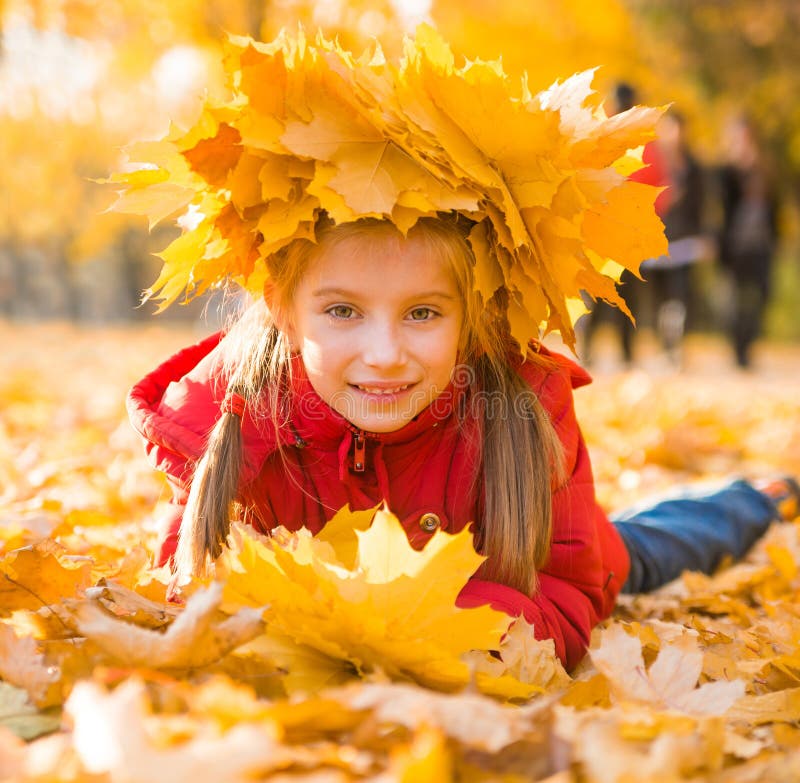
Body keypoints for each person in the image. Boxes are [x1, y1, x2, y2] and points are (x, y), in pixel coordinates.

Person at [124, 30, 799, 671]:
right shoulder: (236, 414)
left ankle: (759, 497)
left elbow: (568, 603)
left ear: (470, 310)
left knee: (658, 541)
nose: (384, 353)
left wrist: (405, 614)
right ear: (283, 307)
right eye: (342, 311)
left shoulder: (523, 405)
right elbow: (186, 585)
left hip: (590, 552)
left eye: (422, 312)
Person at [580, 82, 671, 367]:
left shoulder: (642, 144)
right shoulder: (608, 141)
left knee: (623, 295)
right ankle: (594, 350)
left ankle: (622, 353)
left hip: (623, 231)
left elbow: (657, 189)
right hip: (609, 230)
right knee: (604, 293)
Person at [639, 110, 707, 364]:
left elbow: (702, 205)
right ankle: (663, 347)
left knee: (679, 296)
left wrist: (703, 236)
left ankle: (675, 348)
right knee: (658, 297)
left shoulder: (694, 166)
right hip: (656, 239)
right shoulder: (651, 162)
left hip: (684, 240)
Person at [716, 115, 779, 369]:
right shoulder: (725, 172)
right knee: (733, 300)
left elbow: (774, 206)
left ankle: (749, 342)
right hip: (734, 247)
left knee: (762, 295)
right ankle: (738, 348)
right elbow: (719, 209)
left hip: (760, 245)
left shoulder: (764, 168)